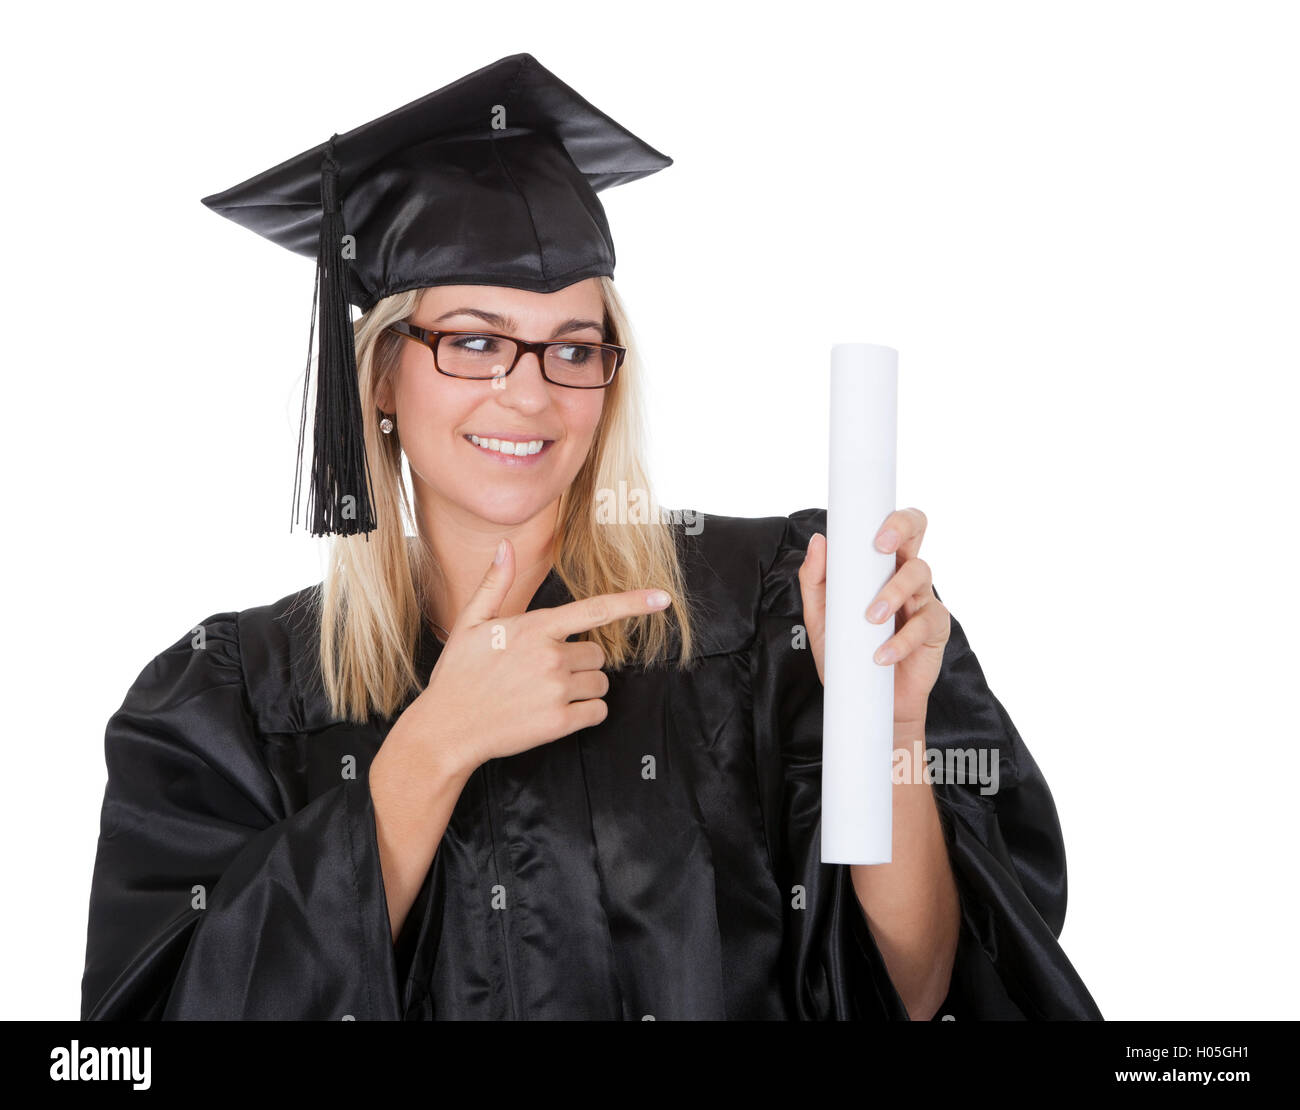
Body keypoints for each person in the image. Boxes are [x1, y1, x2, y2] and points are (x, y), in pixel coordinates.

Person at [80, 54, 1102, 1021]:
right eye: (473, 341)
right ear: (382, 376)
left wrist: (884, 737)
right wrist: (430, 750)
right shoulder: (235, 701)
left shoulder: (769, 609)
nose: (528, 393)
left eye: (574, 348)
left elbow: (920, 995)